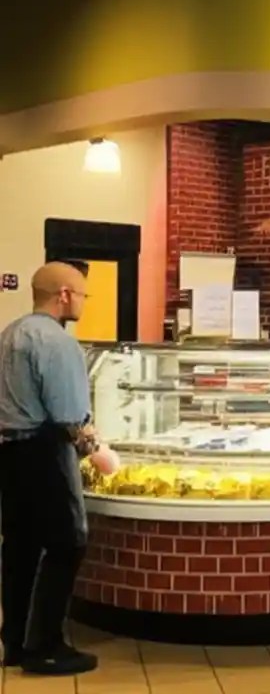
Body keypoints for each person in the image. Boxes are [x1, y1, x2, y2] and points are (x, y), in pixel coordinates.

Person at [0, 263, 118, 675]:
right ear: (64, 294)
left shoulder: (11, 333)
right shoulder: (58, 342)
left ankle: (15, 641)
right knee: (67, 544)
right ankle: (46, 646)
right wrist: (98, 452)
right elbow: (68, 416)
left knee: (20, 547)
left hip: (10, 453)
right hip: (45, 452)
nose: (84, 303)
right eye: (83, 295)